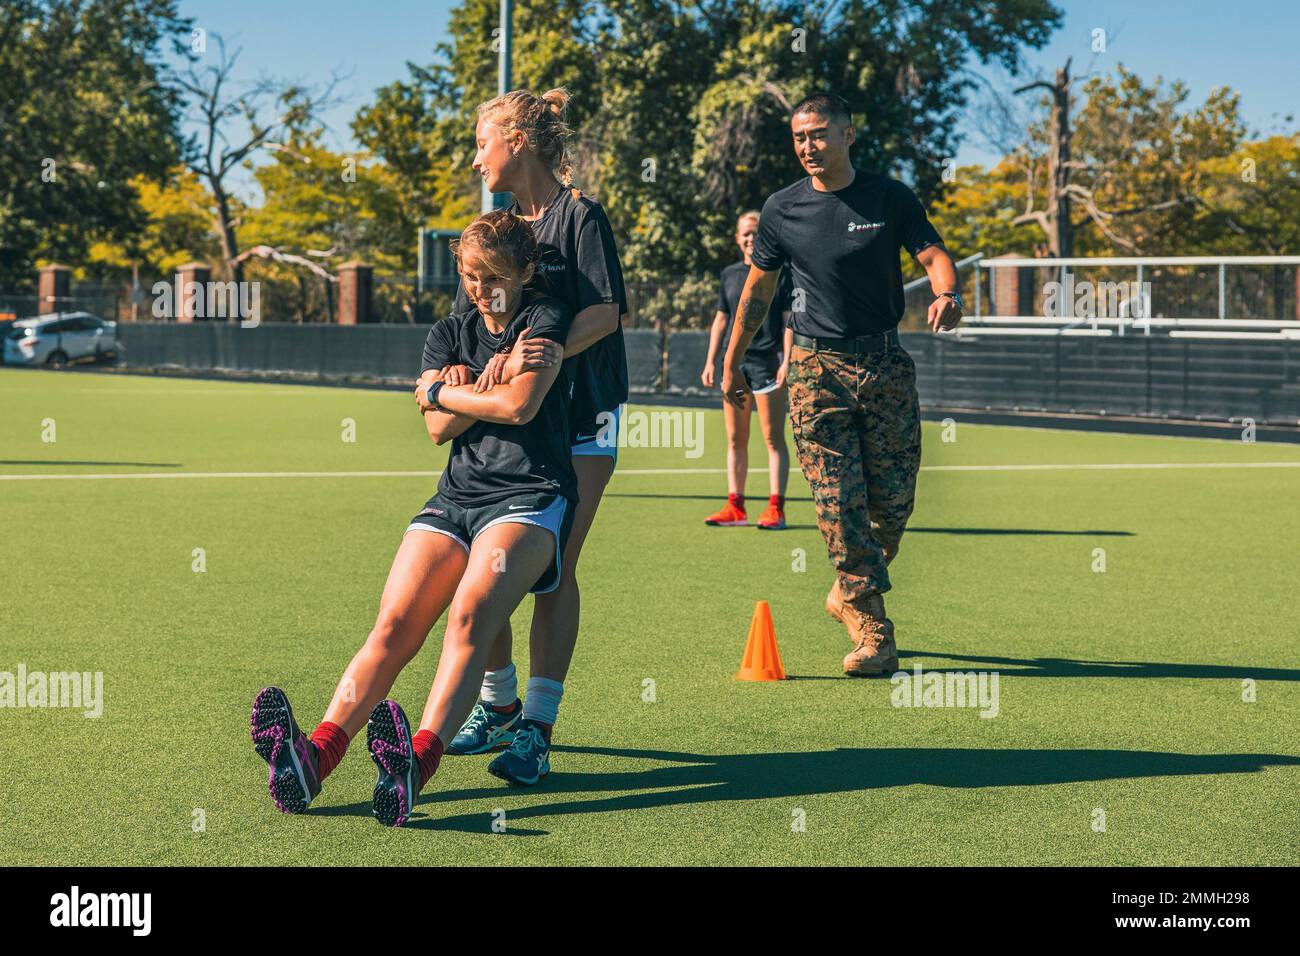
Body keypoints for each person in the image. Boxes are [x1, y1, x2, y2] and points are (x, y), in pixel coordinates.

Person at [250, 210, 576, 827]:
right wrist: (467, 387)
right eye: (472, 276)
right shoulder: (449, 330)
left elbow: (520, 404)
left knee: (472, 613)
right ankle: (313, 756)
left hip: (530, 495)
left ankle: (416, 763)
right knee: (395, 622)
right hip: (456, 497)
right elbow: (435, 428)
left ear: (526, 273)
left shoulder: (543, 318)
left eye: (497, 276)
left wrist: (445, 389)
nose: (484, 290)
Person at [416, 87, 627, 783]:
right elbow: (469, 327)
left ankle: (537, 724)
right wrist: (454, 374)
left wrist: (548, 347)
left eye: (482, 142)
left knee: (552, 568)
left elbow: (608, 310)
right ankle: (498, 702)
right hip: (508, 434)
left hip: (580, 420)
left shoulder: (579, 216)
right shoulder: (497, 228)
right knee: (487, 561)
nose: (476, 157)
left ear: (519, 141)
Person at [720, 92, 963, 676]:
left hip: (884, 367)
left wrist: (948, 293)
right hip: (814, 371)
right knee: (837, 502)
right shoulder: (782, 209)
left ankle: (846, 590)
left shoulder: (889, 196)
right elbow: (756, 293)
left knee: (893, 506)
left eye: (820, 134)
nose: (809, 146)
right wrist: (731, 363)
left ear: (849, 135)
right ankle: (871, 627)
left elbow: (933, 255)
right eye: (800, 136)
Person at [701, 211, 793, 530]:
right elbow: (721, 319)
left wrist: (787, 361)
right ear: (737, 239)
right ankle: (735, 507)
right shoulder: (728, 275)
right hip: (736, 366)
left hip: (768, 364)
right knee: (736, 438)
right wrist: (713, 361)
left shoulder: (780, 272)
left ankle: (776, 509)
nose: (750, 238)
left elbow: (787, 320)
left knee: (772, 438)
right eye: (745, 233)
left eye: (755, 232)